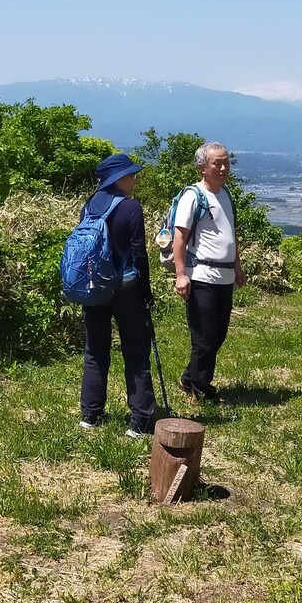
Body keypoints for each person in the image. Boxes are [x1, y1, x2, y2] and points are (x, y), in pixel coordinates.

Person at [79, 153, 158, 436]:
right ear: (118, 179)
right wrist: (146, 292)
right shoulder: (131, 208)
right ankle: (141, 420)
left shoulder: (89, 206)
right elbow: (139, 254)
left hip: (94, 288)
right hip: (125, 288)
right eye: (131, 175)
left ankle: (90, 414)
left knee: (95, 351)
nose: (135, 179)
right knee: (136, 352)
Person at [172, 141, 246, 400]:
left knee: (218, 334)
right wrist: (181, 275)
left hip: (224, 277)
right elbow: (179, 238)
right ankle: (200, 388)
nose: (224, 168)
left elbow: (230, 235)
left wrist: (237, 266)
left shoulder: (225, 194)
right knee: (203, 336)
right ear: (202, 167)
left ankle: (190, 378)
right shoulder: (193, 196)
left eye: (226, 163)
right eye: (217, 164)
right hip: (202, 276)